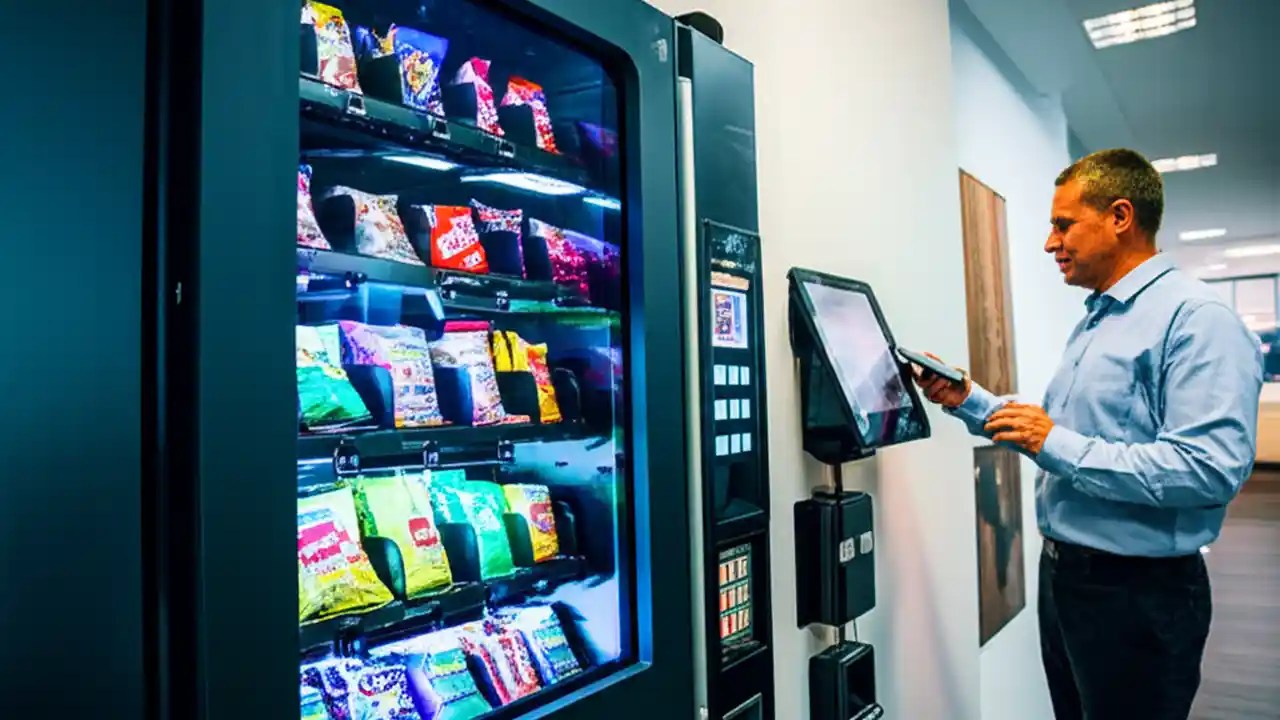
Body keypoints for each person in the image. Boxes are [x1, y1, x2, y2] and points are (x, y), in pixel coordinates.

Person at [913, 149, 1263, 720]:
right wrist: (968, 399)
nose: (1051, 243)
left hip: (1138, 597)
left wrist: (1055, 442)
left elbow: (1209, 469)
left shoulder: (1198, 320)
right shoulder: (1100, 318)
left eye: (1063, 224)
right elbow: (1059, 434)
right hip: (1068, 581)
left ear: (1121, 217)